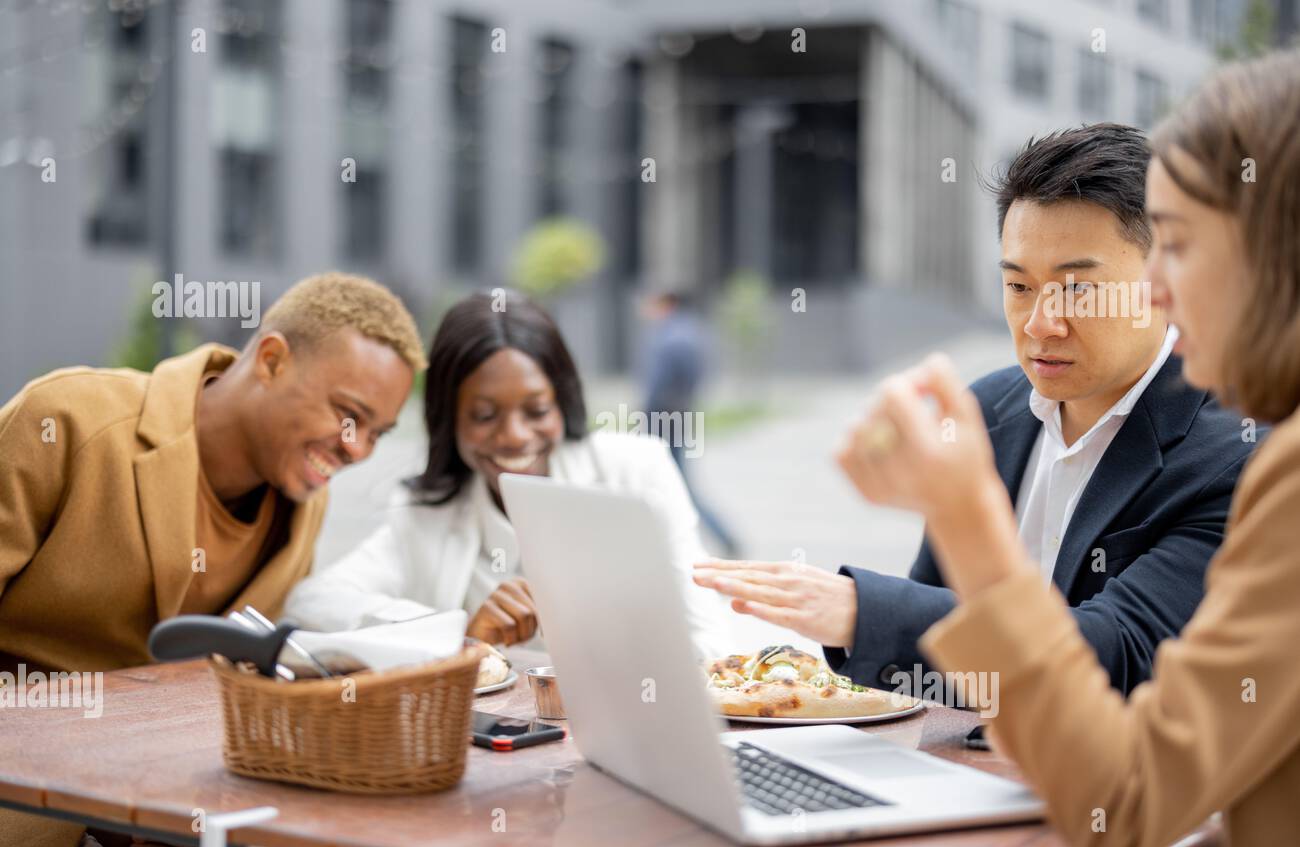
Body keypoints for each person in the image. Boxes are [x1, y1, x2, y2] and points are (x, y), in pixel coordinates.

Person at [835, 50, 1300, 847]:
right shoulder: (991, 407)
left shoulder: (1269, 463)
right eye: (1017, 285)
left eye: (1182, 249)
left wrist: (966, 519)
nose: (1159, 293)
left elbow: (1119, 805)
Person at [694, 124, 1259, 696]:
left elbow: (1120, 654)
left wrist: (865, 613)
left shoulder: (1238, 458)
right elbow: (937, 651)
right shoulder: (986, 409)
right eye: (1019, 287)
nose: (1040, 324)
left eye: (1078, 290)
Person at [0, 271, 425, 847]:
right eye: (350, 415)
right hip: (29, 795)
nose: (359, 449)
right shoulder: (68, 420)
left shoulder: (302, 505)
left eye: (378, 433)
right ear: (273, 361)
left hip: (179, 814)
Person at [284, 289, 727, 655]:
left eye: (536, 410)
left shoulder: (635, 471)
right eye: (483, 415)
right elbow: (312, 602)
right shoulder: (427, 514)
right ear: (449, 420)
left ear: (562, 401)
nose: (514, 437)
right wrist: (458, 631)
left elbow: (708, 638)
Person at [640, 290, 741, 557]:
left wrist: (645, 419)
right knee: (673, 482)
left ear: (666, 304)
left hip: (663, 419)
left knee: (676, 485)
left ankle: (716, 537)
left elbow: (656, 387)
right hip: (681, 415)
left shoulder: (669, 337)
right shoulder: (692, 332)